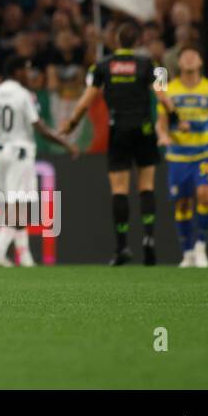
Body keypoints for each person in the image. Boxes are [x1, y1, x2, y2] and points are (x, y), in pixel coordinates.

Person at [61, 22, 166, 265]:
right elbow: (163, 95)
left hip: (118, 129)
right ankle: (149, 238)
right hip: (145, 129)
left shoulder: (102, 66)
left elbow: (86, 100)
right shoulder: (148, 65)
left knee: (119, 189)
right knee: (146, 186)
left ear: (117, 41)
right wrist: (174, 116)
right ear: (138, 42)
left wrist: (72, 123)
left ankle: (122, 247)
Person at [0, 56, 78, 267]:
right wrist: (66, 144)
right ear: (17, 71)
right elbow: (40, 128)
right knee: (17, 205)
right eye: (26, 70)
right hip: (18, 152)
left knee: (11, 205)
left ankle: (25, 255)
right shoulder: (23, 96)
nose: (29, 74)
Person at [156, 48, 208, 267]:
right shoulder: (169, 90)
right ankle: (187, 252)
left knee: (205, 195)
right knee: (182, 205)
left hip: (204, 153)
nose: (190, 57)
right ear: (179, 63)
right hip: (178, 156)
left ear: (201, 61)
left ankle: (201, 245)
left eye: (194, 54)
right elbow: (161, 120)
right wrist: (163, 135)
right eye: (185, 55)